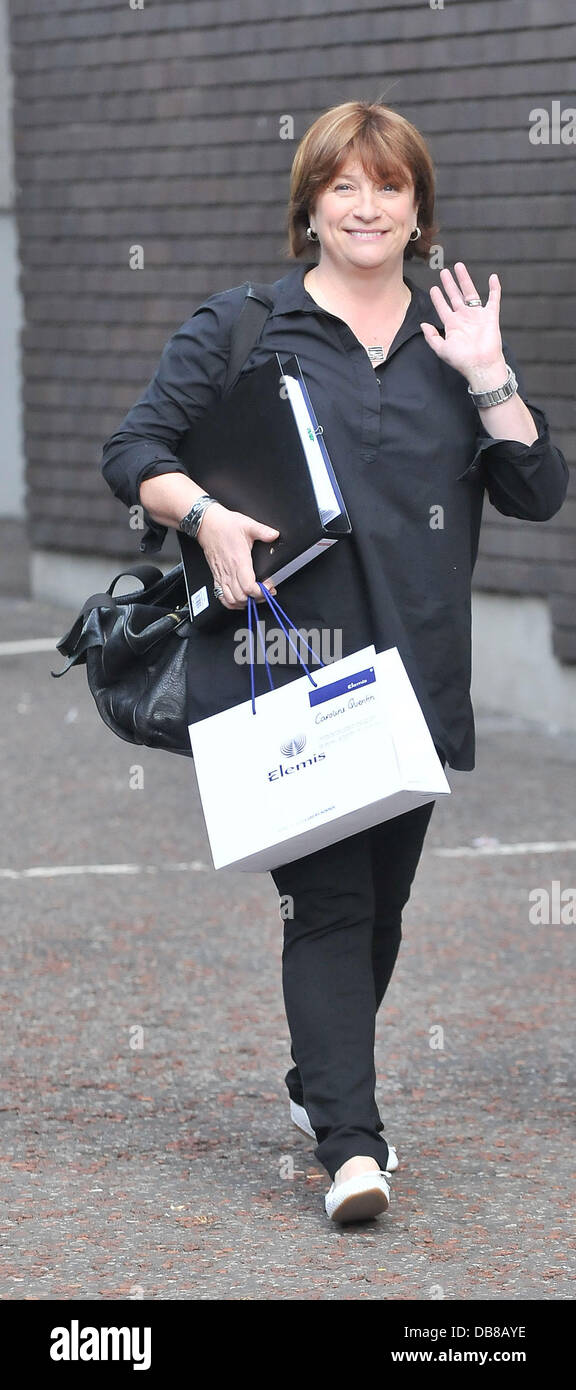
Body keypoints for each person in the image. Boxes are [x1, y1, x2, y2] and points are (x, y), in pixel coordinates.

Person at [101, 100, 568, 1224]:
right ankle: (351, 1148)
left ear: (419, 212)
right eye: (344, 186)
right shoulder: (242, 324)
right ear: (308, 204)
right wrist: (205, 511)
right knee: (330, 900)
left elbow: (539, 489)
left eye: (391, 188)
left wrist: (492, 373)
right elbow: (133, 452)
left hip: (417, 673)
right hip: (287, 663)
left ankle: (320, 1079)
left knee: (385, 903)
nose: (368, 206)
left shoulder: (450, 344)